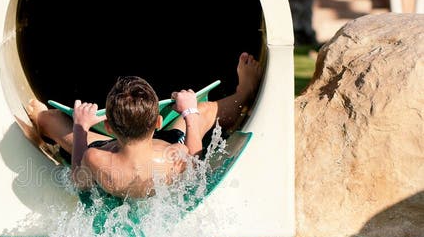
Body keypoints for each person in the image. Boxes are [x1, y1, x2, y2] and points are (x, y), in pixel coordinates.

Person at [23, 52, 261, 200]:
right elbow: (196, 165)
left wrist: (81, 128)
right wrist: (189, 111)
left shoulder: (97, 158)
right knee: (206, 111)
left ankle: (42, 122)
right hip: (160, 150)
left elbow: (78, 180)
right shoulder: (172, 158)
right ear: (158, 123)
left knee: (50, 120)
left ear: (108, 127)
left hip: (114, 156)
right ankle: (244, 94)